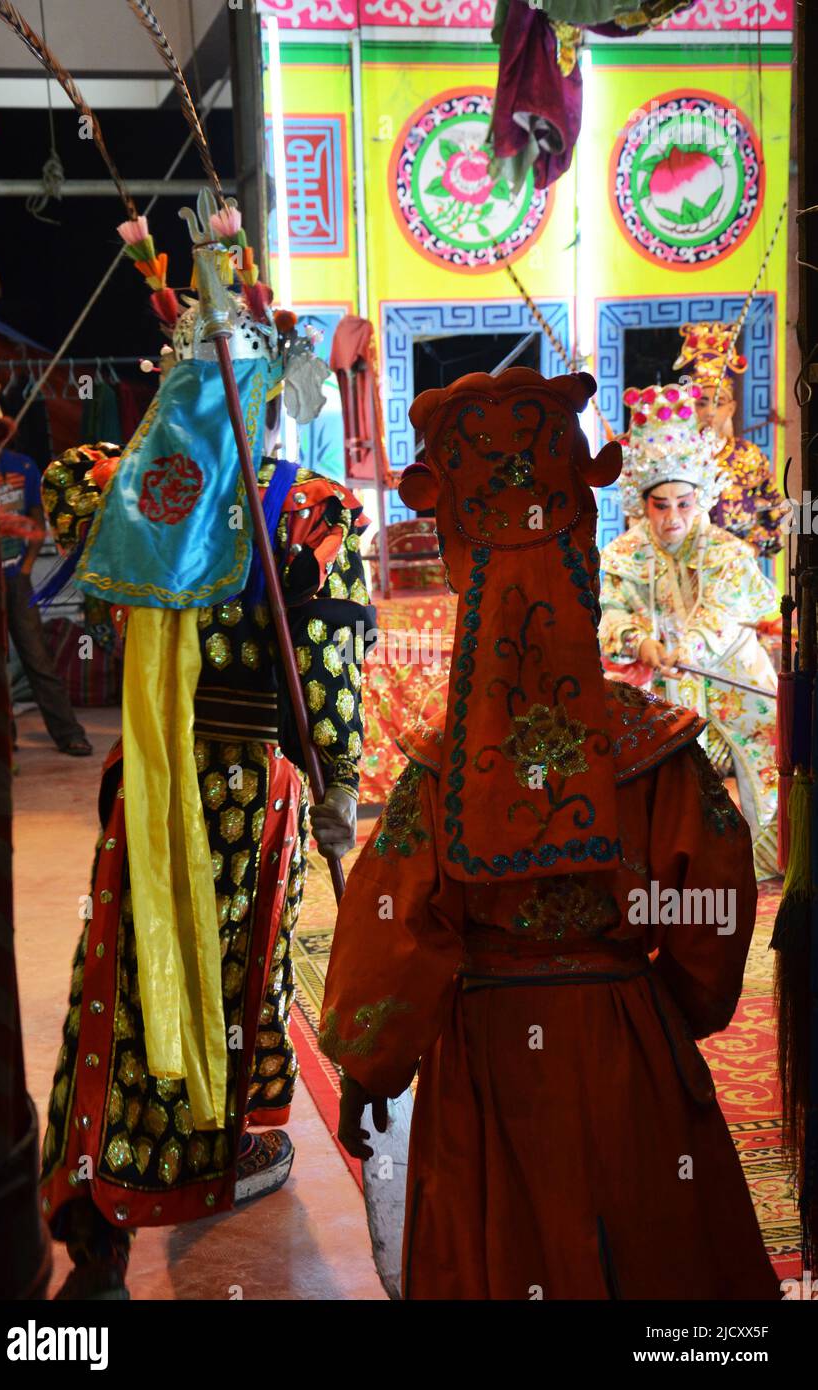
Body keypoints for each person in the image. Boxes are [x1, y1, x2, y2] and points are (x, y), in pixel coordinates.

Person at [319, 365, 779, 1301]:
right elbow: (712, 906)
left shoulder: (444, 766)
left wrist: (371, 1065)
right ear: (584, 535)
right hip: (623, 1037)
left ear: (457, 557)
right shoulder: (650, 748)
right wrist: (665, 1011)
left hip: (488, 1051)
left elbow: (392, 919)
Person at [38, 208, 373, 1300]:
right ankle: (221, 1152)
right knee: (238, 975)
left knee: (128, 966)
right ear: (274, 389)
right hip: (249, 787)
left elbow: (67, 482)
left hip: (148, 778)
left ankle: (100, 1198)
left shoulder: (121, 492)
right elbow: (326, 687)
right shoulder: (306, 512)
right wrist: (337, 801)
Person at [599, 382, 778, 879]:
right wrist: (640, 640)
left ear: (699, 498)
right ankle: (671, 865)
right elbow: (611, 612)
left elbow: (719, 615)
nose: (672, 516)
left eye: (683, 503)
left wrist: (685, 647)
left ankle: (769, 860)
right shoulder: (622, 554)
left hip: (729, 672)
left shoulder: (726, 552)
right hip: (660, 681)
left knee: (768, 741)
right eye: (661, 505)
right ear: (643, 504)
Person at [0, 443, 92, 757]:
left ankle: (69, 733)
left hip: (16, 579)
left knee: (37, 656)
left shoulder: (21, 465)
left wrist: (25, 568)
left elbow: (38, 521)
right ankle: (3, 738)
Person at [672, 320, 785, 559]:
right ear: (690, 406)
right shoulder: (674, 454)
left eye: (719, 403)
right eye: (702, 403)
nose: (710, 412)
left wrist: (752, 547)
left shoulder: (748, 456)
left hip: (736, 574)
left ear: (731, 409)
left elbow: (777, 514)